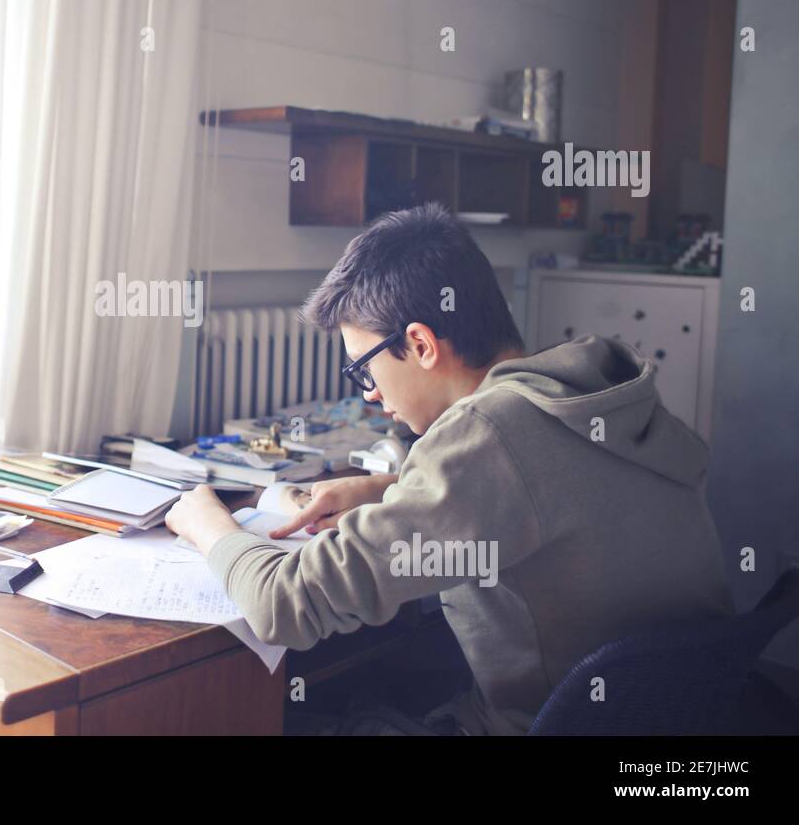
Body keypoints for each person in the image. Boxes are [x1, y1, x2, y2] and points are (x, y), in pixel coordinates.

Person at [165, 202, 734, 735]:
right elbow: (555, 492)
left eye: (363, 368)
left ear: (420, 344)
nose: (369, 395)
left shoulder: (487, 433)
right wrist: (389, 487)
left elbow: (283, 605)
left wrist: (209, 524)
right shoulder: (586, 392)